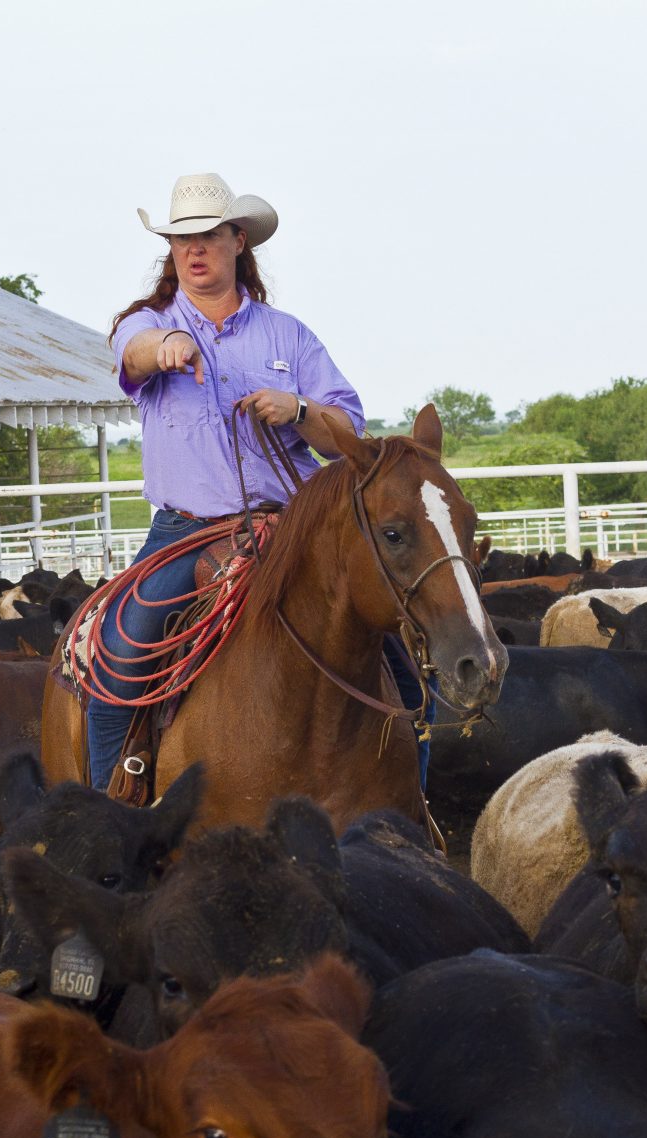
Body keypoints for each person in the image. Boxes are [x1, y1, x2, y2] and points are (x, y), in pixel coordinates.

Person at [90, 171, 429, 792]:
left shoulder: (288, 335)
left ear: (238, 240)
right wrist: (165, 344)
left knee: (401, 676)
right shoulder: (145, 322)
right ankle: (108, 805)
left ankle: (412, 809)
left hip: (292, 530)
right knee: (121, 648)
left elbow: (348, 435)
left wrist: (298, 409)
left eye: (209, 235)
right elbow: (132, 354)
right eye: (179, 238)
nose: (194, 249)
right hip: (185, 531)